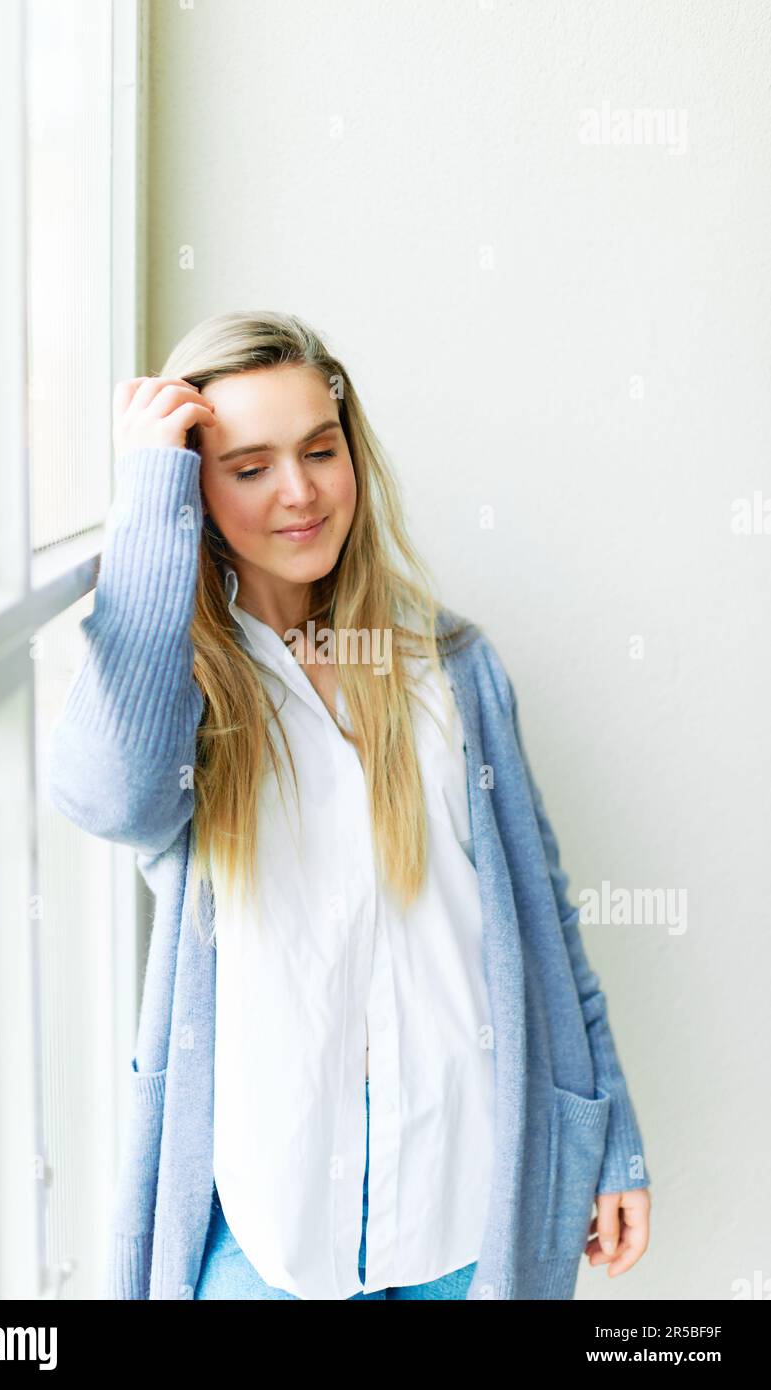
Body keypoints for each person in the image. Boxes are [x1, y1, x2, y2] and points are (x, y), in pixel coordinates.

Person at [47, 310, 651, 1301]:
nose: (299, 493)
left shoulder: (449, 669)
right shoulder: (185, 694)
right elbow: (105, 795)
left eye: (320, 451)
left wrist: (611, 1130)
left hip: (466, 1217)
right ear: (195, 489)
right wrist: (147, 493)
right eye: (246, 468)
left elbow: (546, 920)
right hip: (266, 1231)